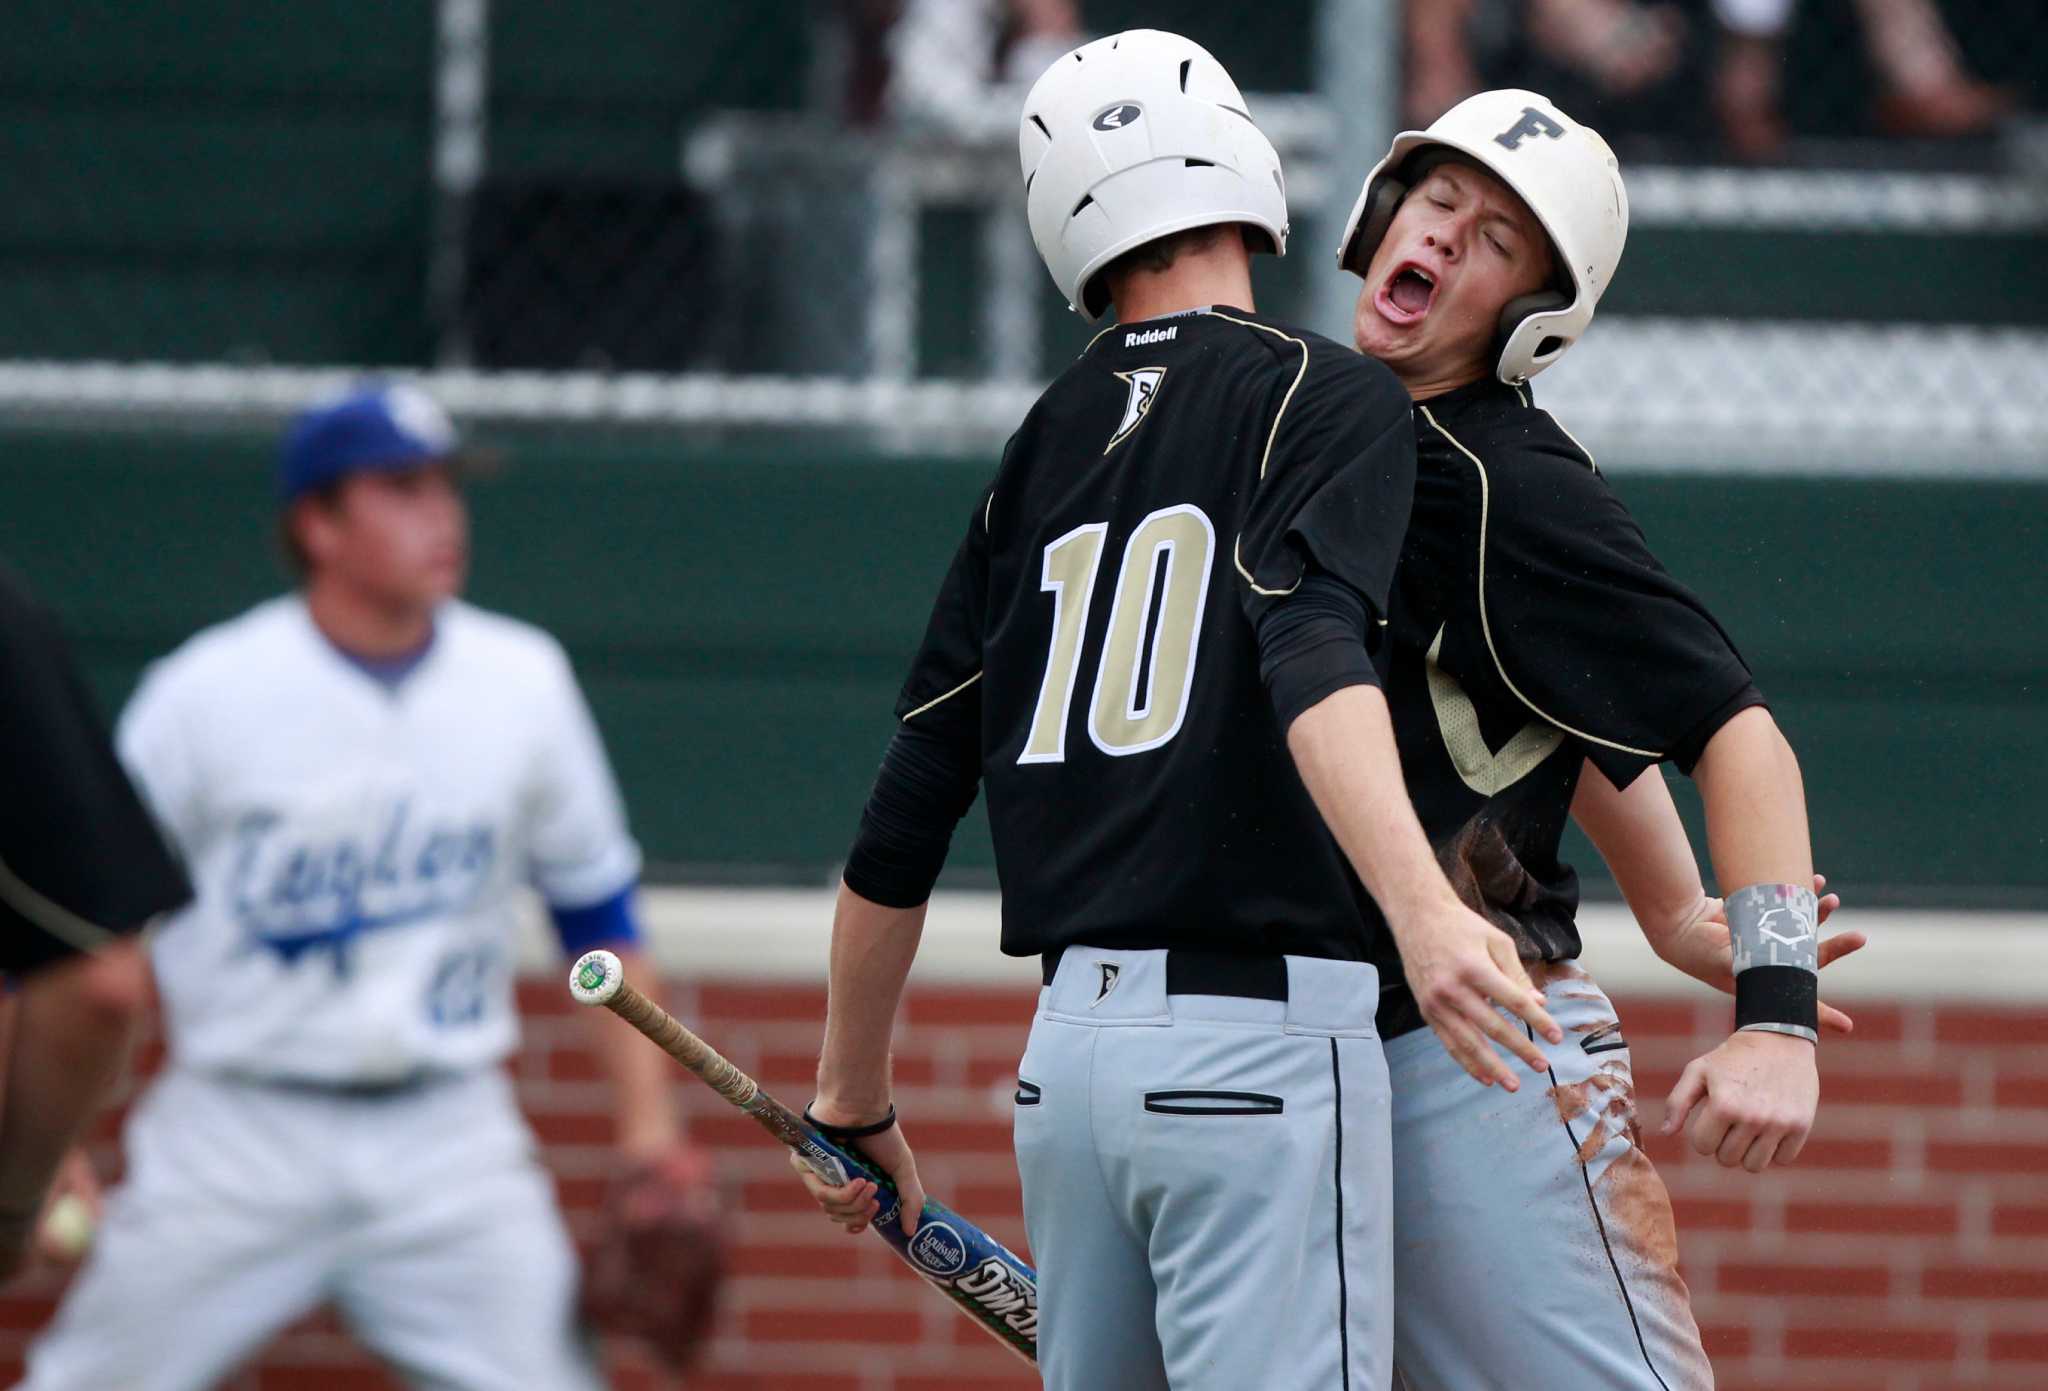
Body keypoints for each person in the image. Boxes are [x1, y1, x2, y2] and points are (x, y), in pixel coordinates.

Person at [789, 30, 1561, 1391]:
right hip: (1258, 1051)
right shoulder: (1322, 393)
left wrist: (852, 1096)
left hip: (1066, 1073)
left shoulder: (1037, 442)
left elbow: (908, 802)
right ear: (1244, 163)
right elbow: (1311, 648)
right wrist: (1428, 909)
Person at [16, 384, 699, 1390]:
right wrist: (44, 1125)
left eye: (446, 487)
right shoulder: (204, 692)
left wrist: (650, 1129)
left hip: (450, 1136)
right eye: (401, 487)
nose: (441, 513)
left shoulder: (523, 678)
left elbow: (595, 916)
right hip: (239, 1128)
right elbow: (72, 919)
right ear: (317, 524)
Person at [1334, 88, 1854, 1386]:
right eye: (1440, 198)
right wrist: (1676, 903)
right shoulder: (1334, 429)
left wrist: (1774, 1010)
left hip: (1478, 1062)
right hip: (1326, 1050)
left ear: (1534, 315)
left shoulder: (1505, 478)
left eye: (1499, 239)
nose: (1448, 236)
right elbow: (1549, 697)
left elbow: (1736, 730)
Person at [0, 561, 191, 1283]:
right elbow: (91, 977)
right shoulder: (206, 689)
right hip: (241, 1111)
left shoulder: (521, 677)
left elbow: (581, 939)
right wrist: (15, 1198)